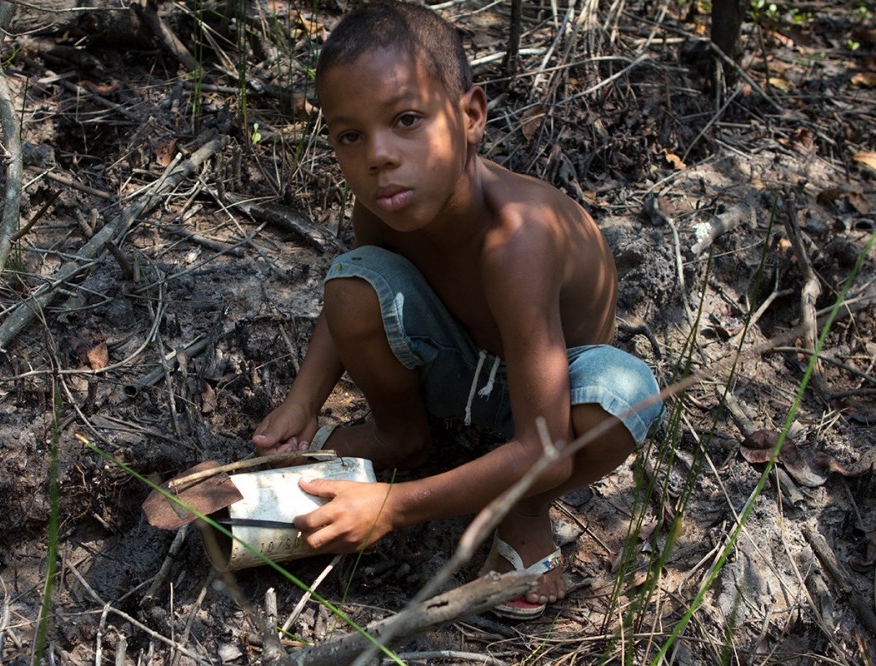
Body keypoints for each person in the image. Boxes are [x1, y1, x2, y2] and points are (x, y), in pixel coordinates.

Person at [251, 0, 662, 619]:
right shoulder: (385, 202)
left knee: (626, 391)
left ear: (469, 116)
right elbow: (354, 298)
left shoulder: (517, 239)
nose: (379, 155)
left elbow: (547, 443)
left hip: (548, 402)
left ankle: (522, 509)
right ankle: (403, 437)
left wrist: (394, 508)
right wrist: (304, 399)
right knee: (352, 281)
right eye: (350, 136)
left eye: (406, 119)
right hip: (458, 367)